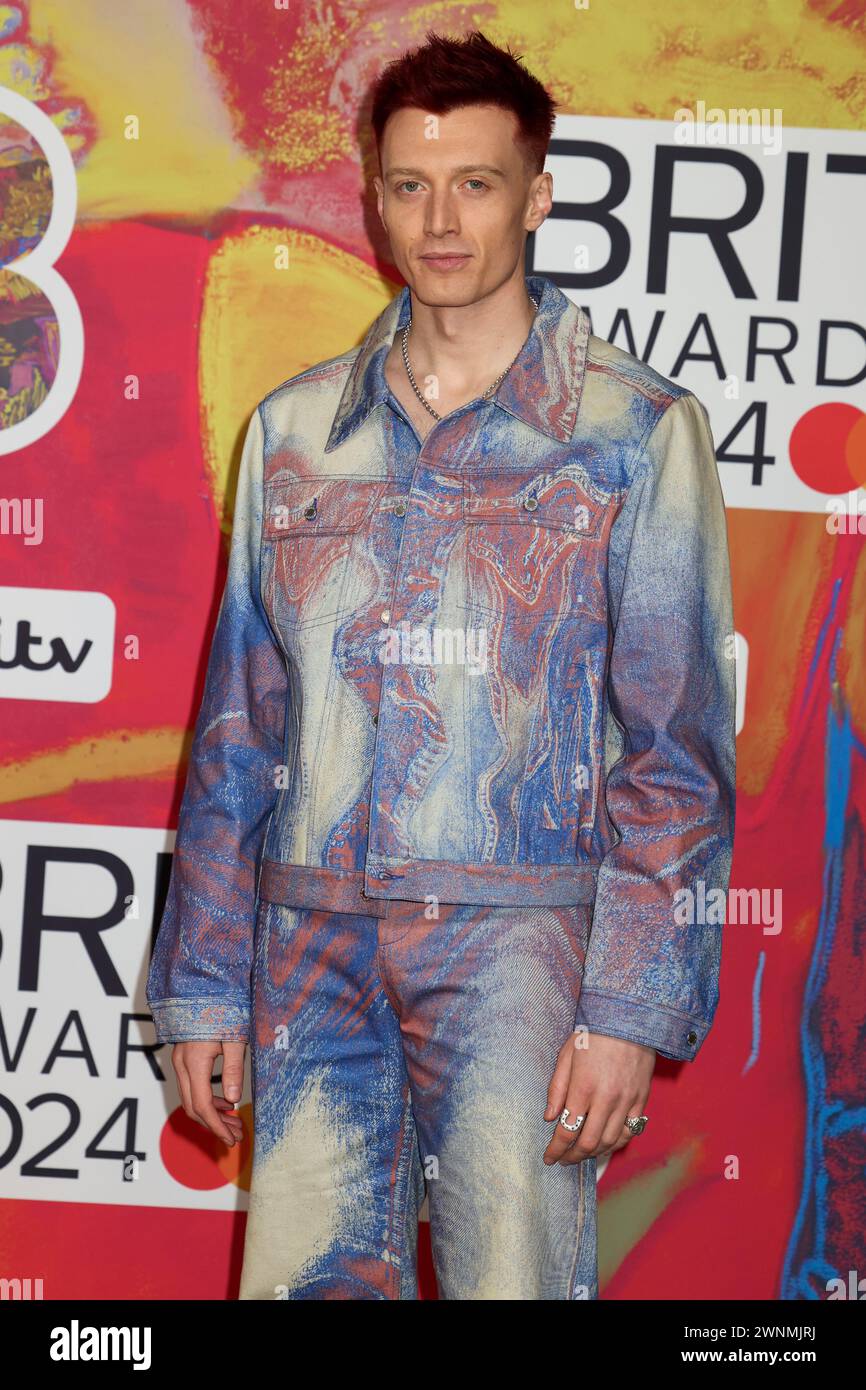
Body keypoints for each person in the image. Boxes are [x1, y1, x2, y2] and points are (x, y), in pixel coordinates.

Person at [146, 28, 736, 1300]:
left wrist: (628, 1011)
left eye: (475, 182)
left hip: (517, 952)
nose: (441, 219)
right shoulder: (296, 434)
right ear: (372, 195)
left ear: (536, 189)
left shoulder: (633, 433)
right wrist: (201, 983)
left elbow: (674, 753)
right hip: (311, 945)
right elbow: (238, 731)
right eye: (410, 185)